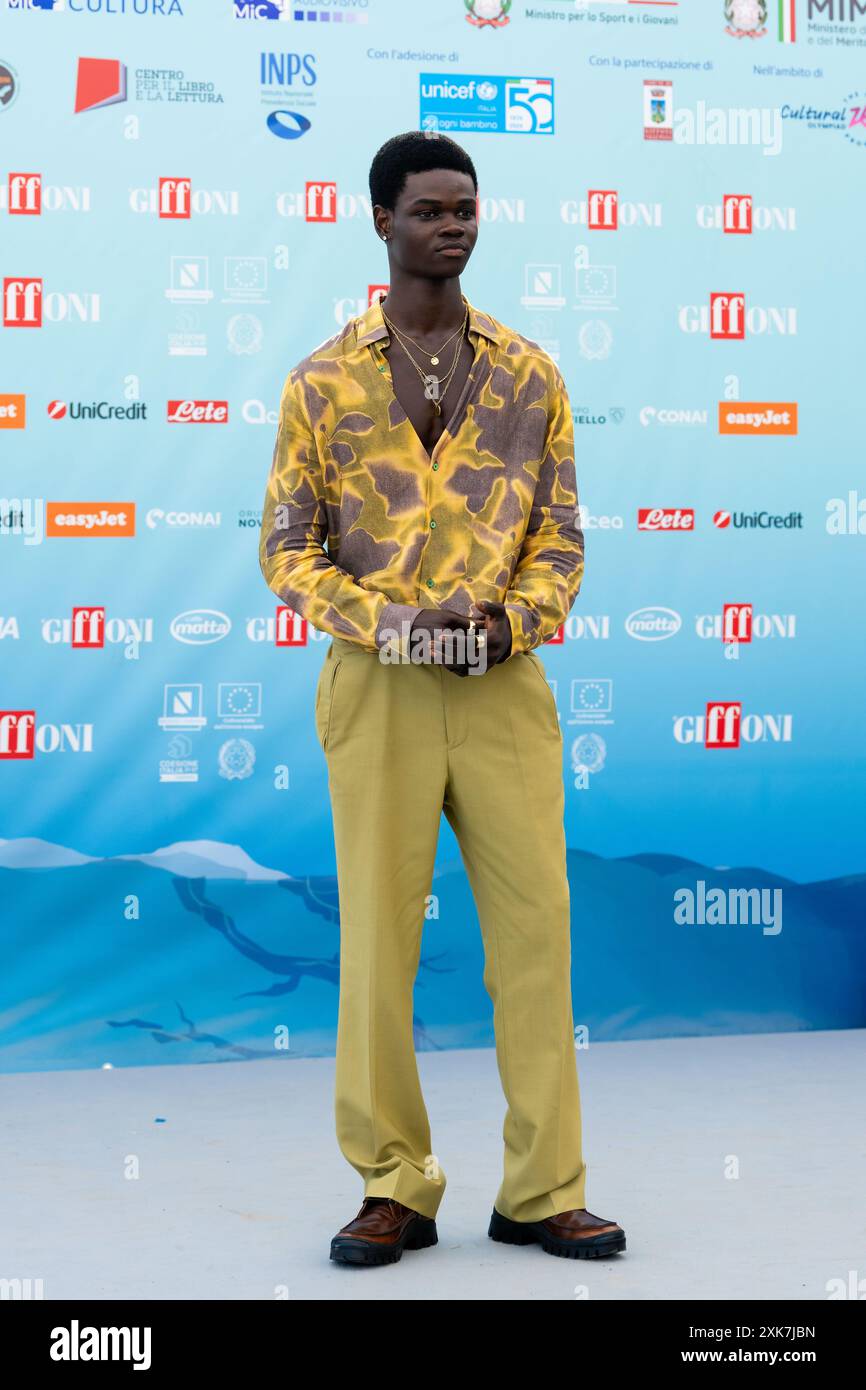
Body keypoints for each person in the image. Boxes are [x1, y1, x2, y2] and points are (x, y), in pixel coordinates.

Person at [259, 130, 625, 1267]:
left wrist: (510, 622)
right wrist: (404, 624)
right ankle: (392, 1185)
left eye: (465, 207)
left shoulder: (528, 373)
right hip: (379, 689)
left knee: (537, 935)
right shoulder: (322, 380)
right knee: (375, 943)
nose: (452, 224)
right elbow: (287, 552)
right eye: (428, 209)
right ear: (380, 221)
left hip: (504, 688)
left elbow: (560, 536)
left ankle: (541, 1188)